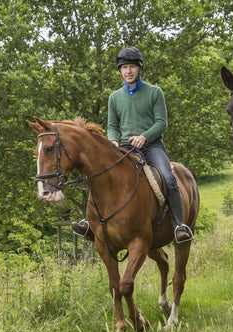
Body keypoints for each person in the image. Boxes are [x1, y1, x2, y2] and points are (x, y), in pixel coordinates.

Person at [72, 46, 193, 243]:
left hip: (152, 146)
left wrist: (144, 136)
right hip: (126, 148)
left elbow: (162, 123)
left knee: (169, 178)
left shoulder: (154, 93)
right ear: (120, 70)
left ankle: (179, 224)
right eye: (124, 67)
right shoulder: (114, 97)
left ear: (140, 69)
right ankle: (89, 222)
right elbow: (112, 125)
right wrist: (112, 140)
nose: (128, 71)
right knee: (100, 176)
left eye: (132, 67)